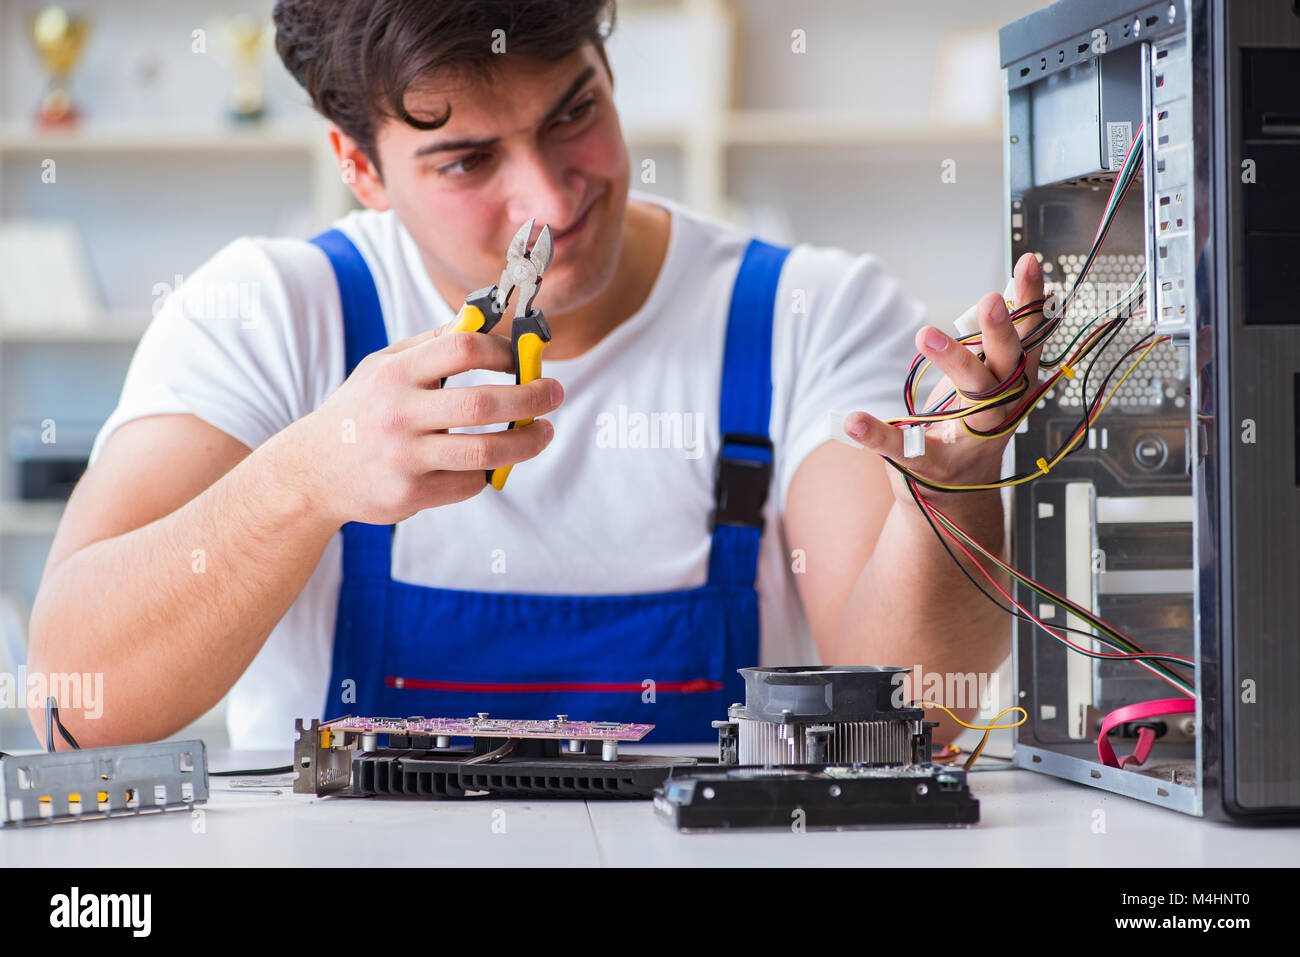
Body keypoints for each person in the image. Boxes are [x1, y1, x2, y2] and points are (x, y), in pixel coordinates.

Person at [27, 0, 1043, 750]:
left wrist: (947, 498)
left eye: (571, 114)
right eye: (468, 161)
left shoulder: (808, 314)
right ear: (359, 166)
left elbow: (915, 721)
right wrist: (303, 482)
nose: (549, 202)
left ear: (606, 67)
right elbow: (74, 705)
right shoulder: (270, 312)